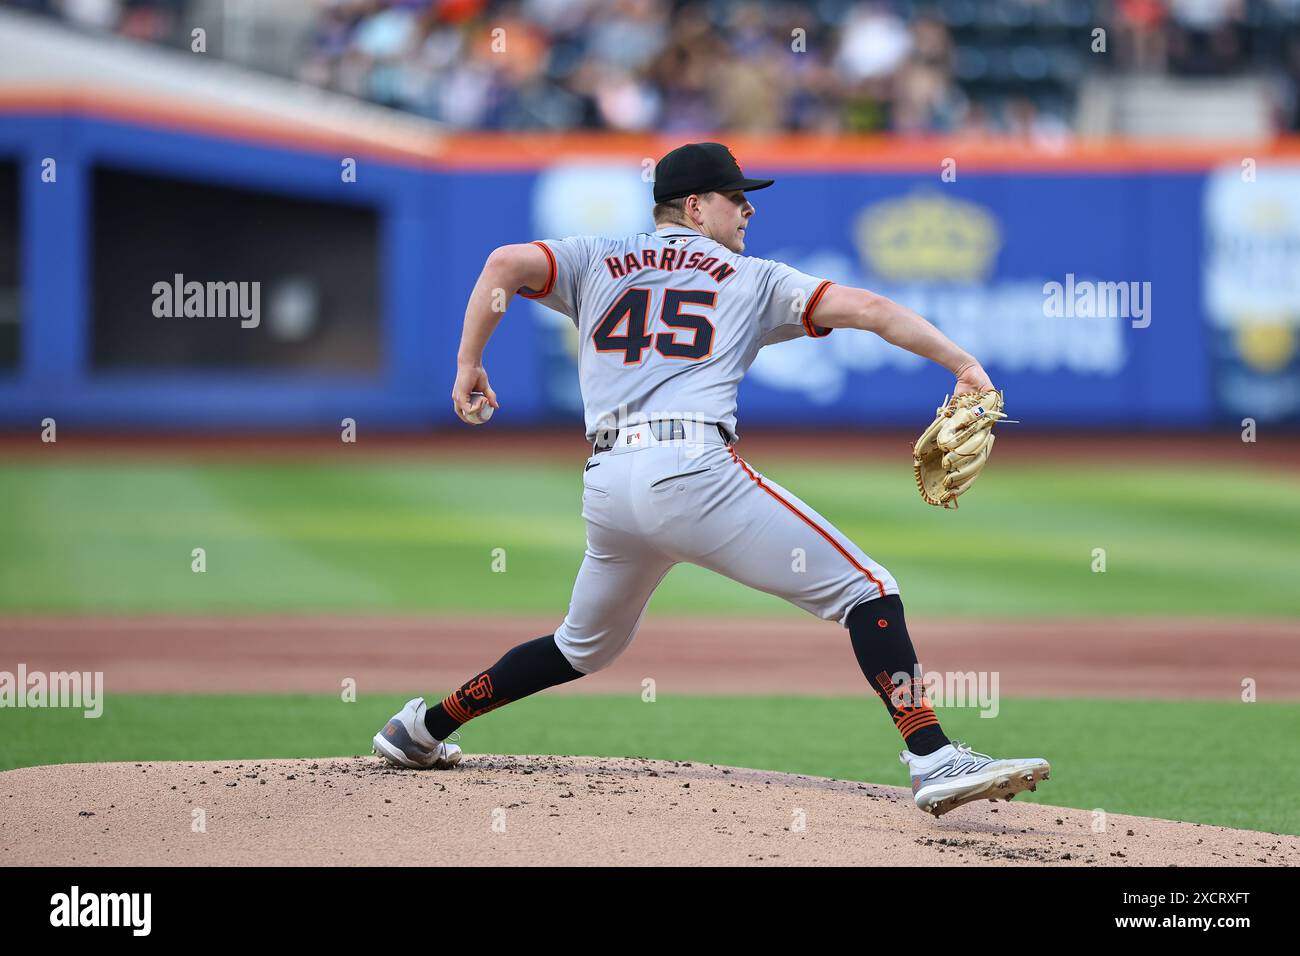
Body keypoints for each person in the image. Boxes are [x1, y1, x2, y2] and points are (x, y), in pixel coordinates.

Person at [372, 142, 1049, 818]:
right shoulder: (751, 277)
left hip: (609, 485)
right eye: (736, 196)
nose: (748, 206)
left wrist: (468, 363)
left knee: (580, 647)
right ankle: (931, 755)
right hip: (692, 472)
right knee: (868, 590)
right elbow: (870, 308)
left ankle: (424, 729)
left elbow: (503, 265)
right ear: (695, 207)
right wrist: (965, 366)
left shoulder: (595, 259)